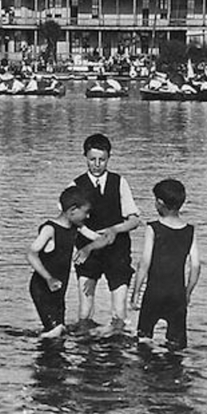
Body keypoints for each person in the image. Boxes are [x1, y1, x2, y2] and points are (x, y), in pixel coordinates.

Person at [72, 133, 141, 328]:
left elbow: (134, 220)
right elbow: (70, 220)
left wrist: (114, 229)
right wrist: (92, 237)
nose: (97, 164)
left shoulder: (119, 182)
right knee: (85, 311)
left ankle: (117, 349)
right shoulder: (75, 185)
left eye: (102, 160)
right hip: (87, 253)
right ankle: (86, 349)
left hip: (117, 252)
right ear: (85, 157)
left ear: (109, 158)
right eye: (92, 159)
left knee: (119, 312)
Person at [26, 186, 111, 339]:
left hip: (59, 287)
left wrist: (89, 247)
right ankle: (35, 350)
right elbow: (31, 254)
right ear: (72, 210)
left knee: (59, 329)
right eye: (85, 212)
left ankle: (52, 356)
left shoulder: (76, 226)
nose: (87, 216)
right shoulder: (49, 229)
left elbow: (102, 239)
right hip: (43, 286)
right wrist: (48, 278)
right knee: (55, 331)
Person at [130, 179, 202, 350]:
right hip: (177, 295)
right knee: (177, 344)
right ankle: (174, 373)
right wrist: (187, 292)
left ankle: (146, 371)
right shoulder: (189, 231)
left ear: (160, 203)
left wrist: (135, 294)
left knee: (144, 339)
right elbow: (196, 266)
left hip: (154, 293)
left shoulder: (153, 228)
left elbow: (144, 263)